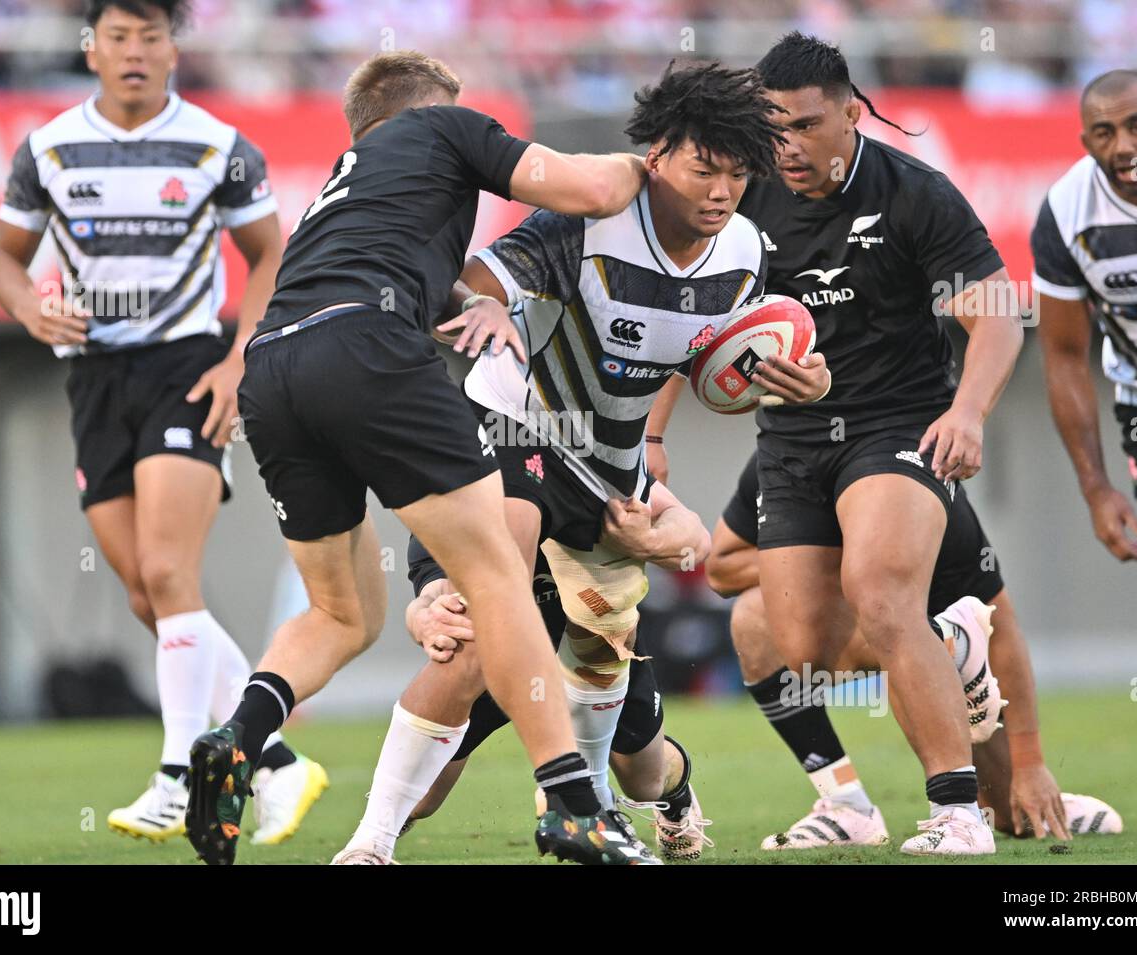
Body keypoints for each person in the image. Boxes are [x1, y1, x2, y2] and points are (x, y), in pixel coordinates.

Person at [327, 60, 806, 865]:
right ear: (657, 155)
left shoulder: (747, 254)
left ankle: (628, 804)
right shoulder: (592, 221)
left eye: (737, 172)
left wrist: (802, 377)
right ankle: (370, 844)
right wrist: (481, 303)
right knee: (469, 643)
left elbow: (709, 359)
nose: (722, 189)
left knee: (643, 761)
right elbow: (477, 280)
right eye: (704, 167)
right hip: (519, 438)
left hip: (610, 486)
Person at [185, 49, 654, 866]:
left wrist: (474, 300)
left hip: (275, 367)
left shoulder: (346, 182)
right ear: (427, 108)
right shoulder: (443, 125)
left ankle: (238, 739)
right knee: (498, 577)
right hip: (365, 347)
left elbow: (411, 278)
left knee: (341, 612)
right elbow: (591, 191)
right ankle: (574, 803)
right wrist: (640, 163)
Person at [0, 0, 324, 847]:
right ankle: (276, 759)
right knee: (147, 589)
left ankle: (179, 773)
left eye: (151, 36)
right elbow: (5, 257)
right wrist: (30, 309)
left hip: (185, 368)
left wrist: (238, 356)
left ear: (175, 47)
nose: (135, 52)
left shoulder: (218, 146)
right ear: (91, 48)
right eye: (119, 37)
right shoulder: (49, 148)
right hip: (94, 381)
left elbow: (269, 253)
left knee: (171, 570)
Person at [702, 32, 1023, 855]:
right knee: (795, 641)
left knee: (880, 590)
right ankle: (953, 644)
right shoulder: (744, 195)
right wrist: (657, 433)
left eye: (806, 126)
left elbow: (996, 310)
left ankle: (957, 812)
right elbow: (694, 312)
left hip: (900, 421)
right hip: (793, 435)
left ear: (851, 114)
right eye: (774, 129)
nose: (788, 147)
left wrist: (970, 413)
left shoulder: (915, 192)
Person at [703, 449, 1123, 848]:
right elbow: (720, 567)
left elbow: (998, 622)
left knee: (1012, 816)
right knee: (753, 617)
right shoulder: (781, 457)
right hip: (857, 636)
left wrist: (1030, 764)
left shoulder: (915, 474)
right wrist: (812, 561)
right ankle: (846, 805)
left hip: (932, 662)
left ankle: (993, 786)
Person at [332, 536, 713, 864]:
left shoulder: (579, 480)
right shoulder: (452, 491)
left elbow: (677, 531)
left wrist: (656, 532)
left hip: (592, 647)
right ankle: (372, 840)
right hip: (498, 653)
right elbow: (434, 589)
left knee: (644, 782)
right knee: (419, 799)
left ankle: (671, 797)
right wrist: (423, 613)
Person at [1034, 69, 1137, 591]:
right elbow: (1063, 357)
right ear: (1085, 141)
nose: (1124, 146)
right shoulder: (1065, 213)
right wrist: (1096, 488)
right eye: (1104, 133)